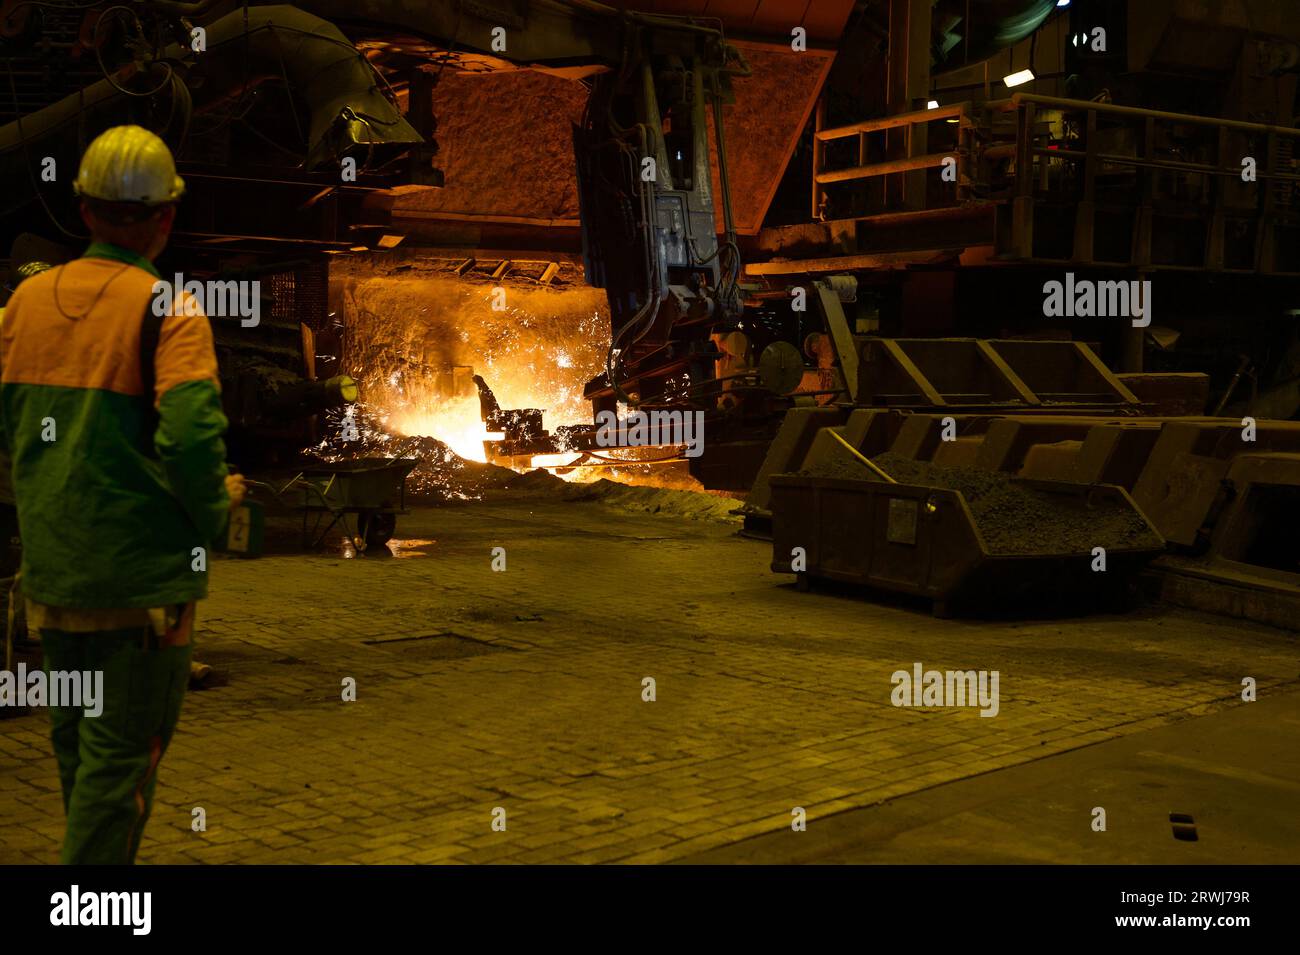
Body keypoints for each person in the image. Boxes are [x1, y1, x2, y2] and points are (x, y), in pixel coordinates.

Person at [0, 124, 244, 864]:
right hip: (138, 590)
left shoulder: (23, 304)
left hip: (54, 582)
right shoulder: (170, 310)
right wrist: (211, 519)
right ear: (166, 217)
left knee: (79, 759)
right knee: (118, 773)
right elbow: (193, 440)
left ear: (82, 210)